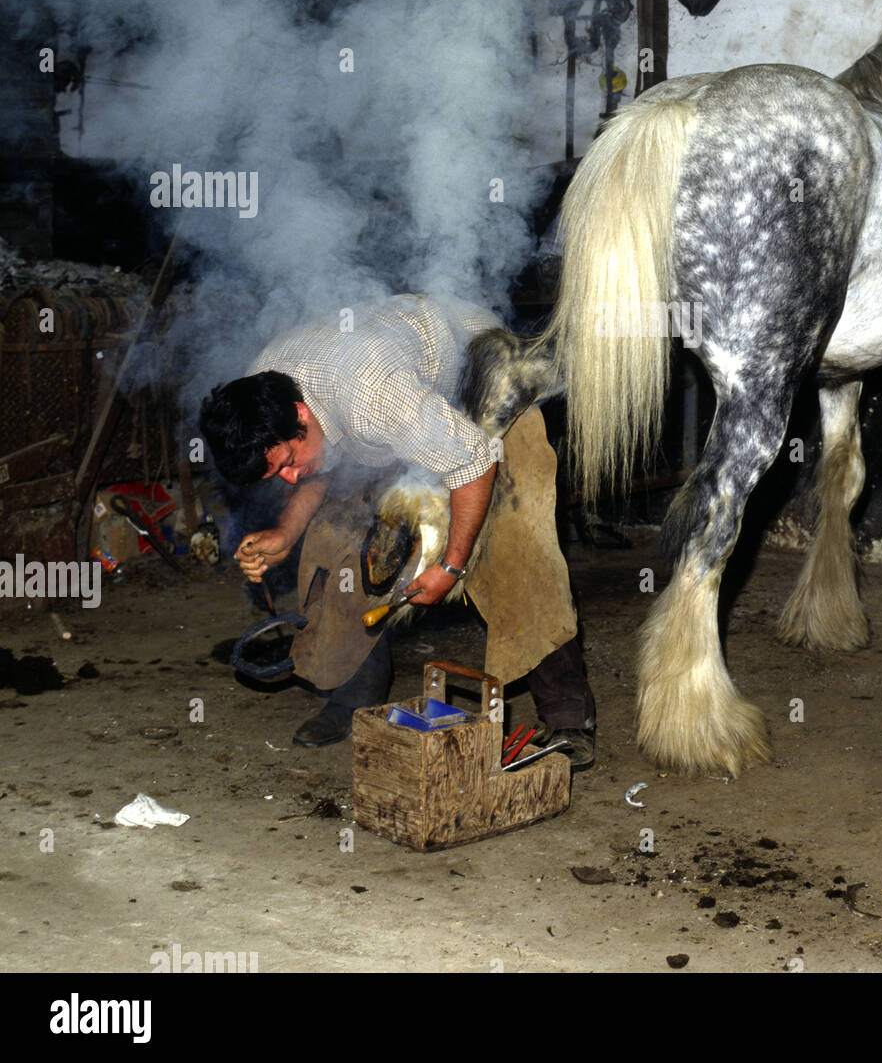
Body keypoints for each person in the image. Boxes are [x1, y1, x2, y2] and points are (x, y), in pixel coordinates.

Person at [198, 293, 595, 764]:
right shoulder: (266, 392)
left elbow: (472, 459)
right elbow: (312, 468)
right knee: (336, 544)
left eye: (285, 465)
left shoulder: (373, 393)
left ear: (301, 415)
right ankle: (352, 698)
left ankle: (569, 716)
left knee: (514, 545)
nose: (287, 478)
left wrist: (450, 564)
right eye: (275, 475)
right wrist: (285, 533)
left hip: (485, 389)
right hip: (402, 414)